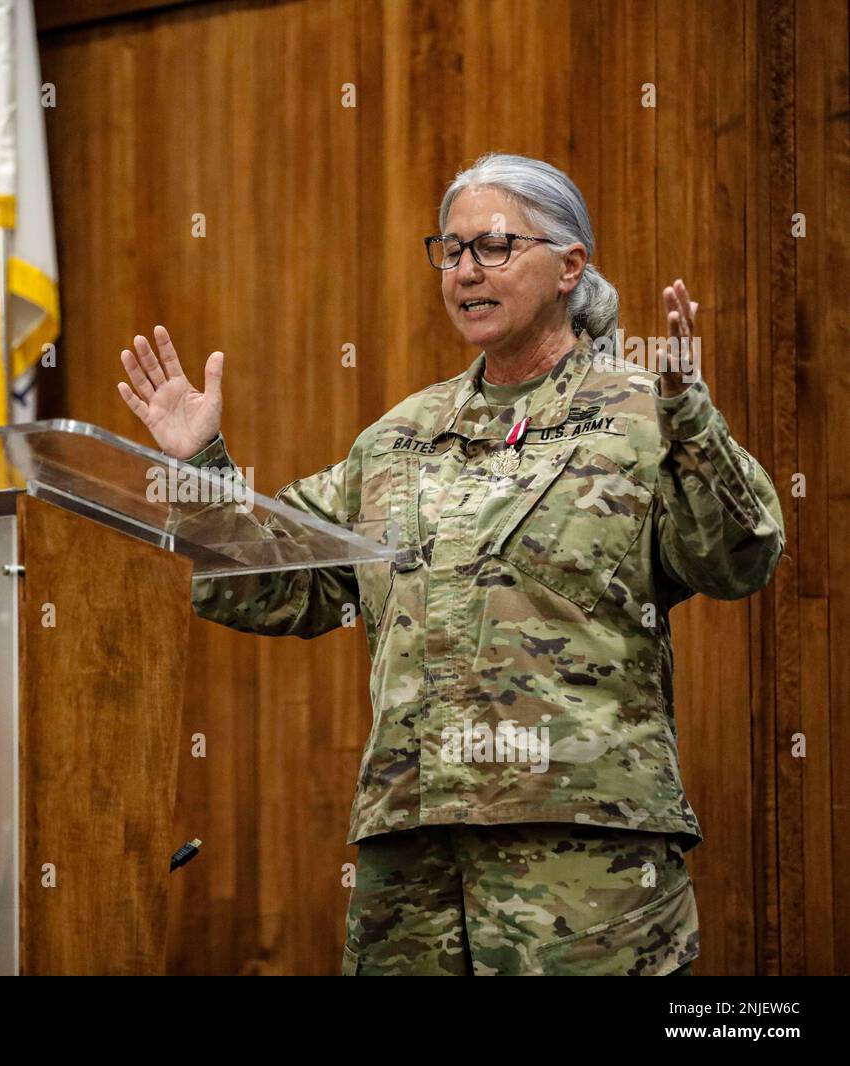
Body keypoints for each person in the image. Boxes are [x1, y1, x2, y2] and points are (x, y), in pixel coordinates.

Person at [115, 152, 784, 976]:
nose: (466, 270)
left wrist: (693, 418)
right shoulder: (398, 435)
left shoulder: (645, 411)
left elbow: (741, 557)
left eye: (494, 247)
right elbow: (281, 588)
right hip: (412, 842)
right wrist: (200, 467)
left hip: (579, 842)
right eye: (452, 249)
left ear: (570, 265)